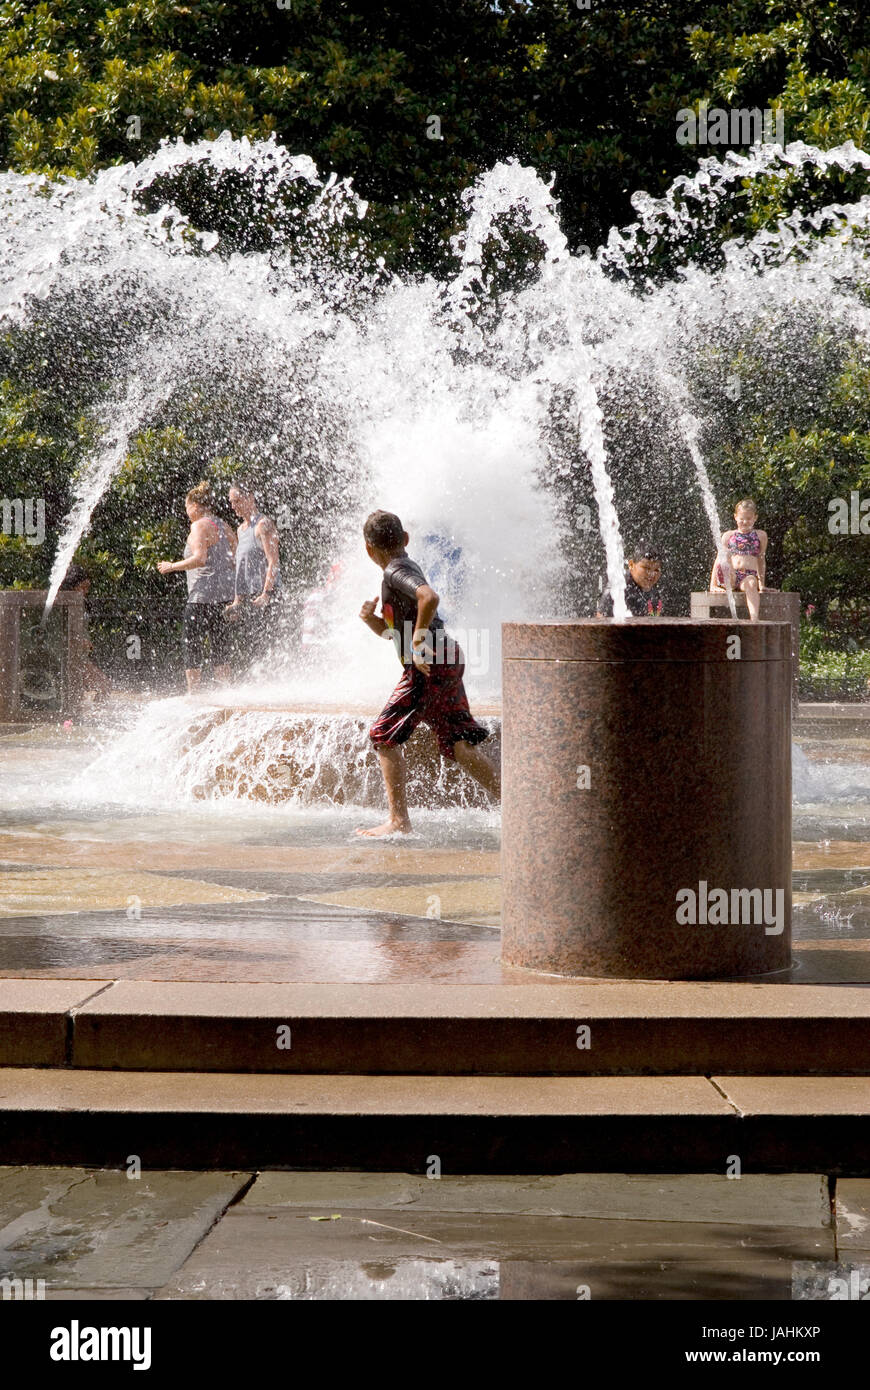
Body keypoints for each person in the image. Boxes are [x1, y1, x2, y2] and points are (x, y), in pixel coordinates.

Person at [356, 509, 500, 837]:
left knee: (383, 735)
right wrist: (371, 621)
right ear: (406, 539)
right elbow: (396, 636)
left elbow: (429, 597)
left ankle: (398, 821)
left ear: (368, 549)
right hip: (444, 656)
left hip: (430, 662)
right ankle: (517, 804)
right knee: (459, 745)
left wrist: (419, 642)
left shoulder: (396, 571)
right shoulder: (404, 568)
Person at [156, 481, 236, 691]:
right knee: (221, 646)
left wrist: (171, 566)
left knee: (191, 644)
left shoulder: (199, 525)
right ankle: (225, 692)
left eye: (187, 508)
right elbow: (235, 559)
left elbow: (200, 558)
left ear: (196, 506)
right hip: (225, 596)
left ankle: (194, 692)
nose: (186, 513)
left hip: (201, 597)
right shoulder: (224, 525)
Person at [224, 481, 282, 666]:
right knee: (255, 653)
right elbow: (241, 568)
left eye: (237, 501)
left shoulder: (263, 524)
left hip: (268, 596)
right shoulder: (241, 530)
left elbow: (273, 560)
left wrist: (266, 594)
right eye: (231, 502)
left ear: (250, 497)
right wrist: (236, 602)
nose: (233, 506)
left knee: (271, 649)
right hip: (250, 599)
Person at [58, 562, 113, 697]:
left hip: (79, 657)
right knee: (104, 686)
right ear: (72, 586)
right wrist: (79, 641)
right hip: (70, 659)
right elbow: (58, 633)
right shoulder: (62, 604)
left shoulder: (78, 603)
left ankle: (93, 715)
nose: (86, 591)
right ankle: (95, 715)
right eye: (83, 587)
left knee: (83, 692)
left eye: (87, 587)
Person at [710, 498, 767, 622]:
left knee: (751, 583)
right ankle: (726, 569)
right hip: (731, 575)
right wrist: (713, 585)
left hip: (748, 575)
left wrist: (761, 584)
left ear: (755, 518)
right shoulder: (729, 536)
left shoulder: (760, 535)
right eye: (742, 519)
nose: (745, 522)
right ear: (735, 517)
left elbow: (761, 559)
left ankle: (754, 619)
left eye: (748, 519)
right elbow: (717, 560)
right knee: (724, 554)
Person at [597, 545, 664, 617]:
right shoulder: (618, 586)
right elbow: (600, 619)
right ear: (631, 565)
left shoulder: (654, 591)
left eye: (656, 570)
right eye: (646, 568)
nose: (651, 574)